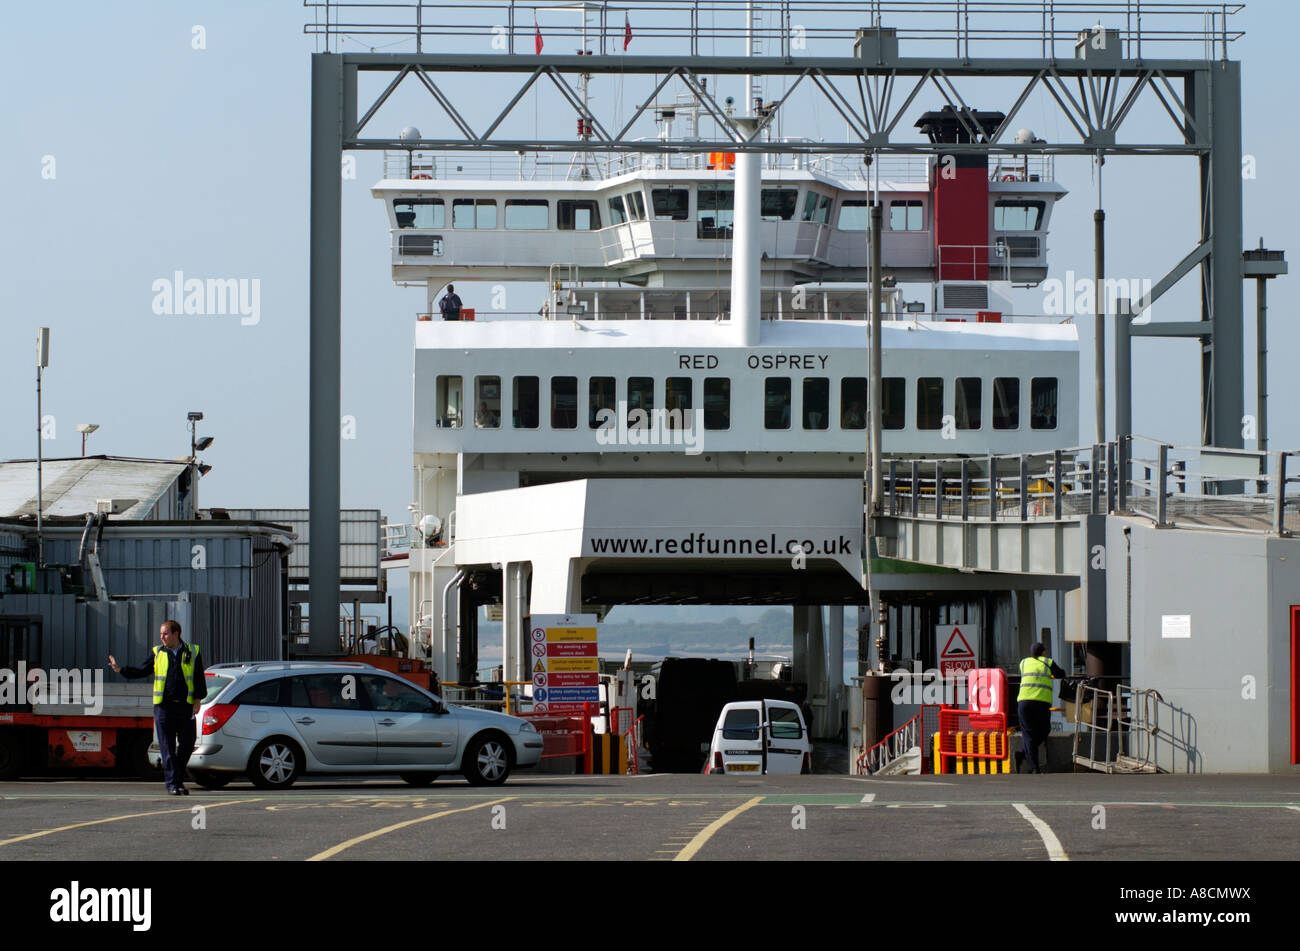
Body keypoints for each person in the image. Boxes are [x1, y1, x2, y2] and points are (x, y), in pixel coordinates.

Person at [109, 620, 207, 795]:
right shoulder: (157, 652)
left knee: (188, 742)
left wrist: (198, 699)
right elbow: (141, 670)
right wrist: (120, 669)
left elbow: (199, 676)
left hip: (185, 707)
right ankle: (173, 784)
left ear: (176, 633)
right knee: (167, 746)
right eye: (161, 634)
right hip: (164, 707)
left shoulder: (193, 651)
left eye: (165, 634)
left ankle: (175, 779)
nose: (161, 637)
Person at [1016, 641, 1065, 774]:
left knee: (1028, 734)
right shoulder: (1048, 662)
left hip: (1024, 702)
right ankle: (1033, 766)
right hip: (1041, 702)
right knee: (1044, 730)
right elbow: (1061, 673)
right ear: (1043, 652)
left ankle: (1023, 755)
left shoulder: (1024, 662)